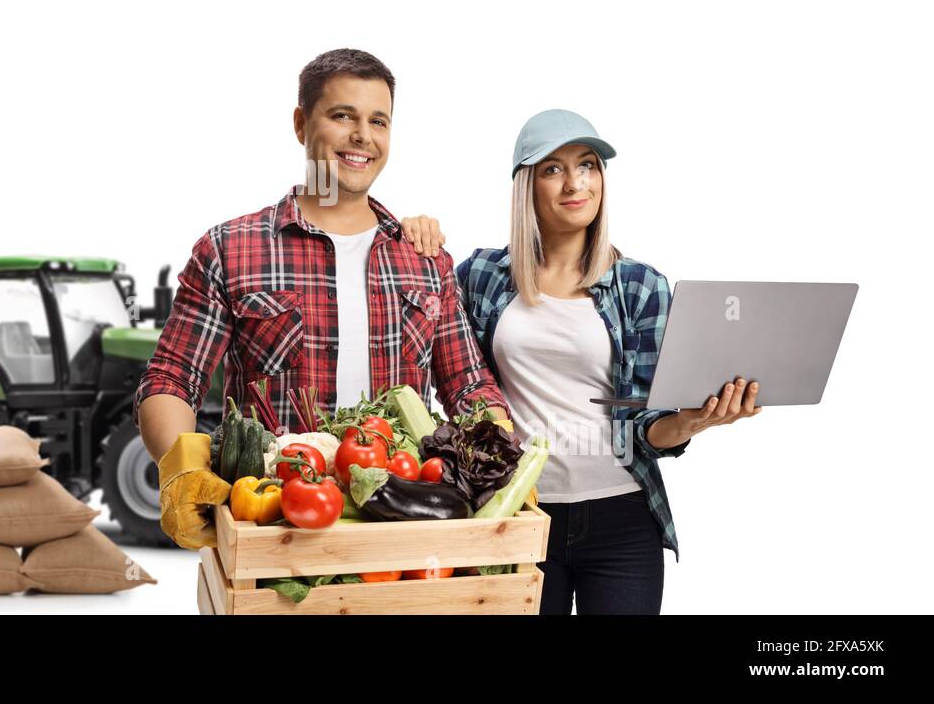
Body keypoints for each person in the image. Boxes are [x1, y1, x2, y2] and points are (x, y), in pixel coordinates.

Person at [134, 49, 512, 549]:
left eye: (379, 121)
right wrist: (179, 470)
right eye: (342, 116)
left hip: (404, 528)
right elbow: (173, 377)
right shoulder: (231, 249)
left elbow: (468, 384)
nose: (363, 136)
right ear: (300, 123)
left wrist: (505, 461)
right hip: (275, 524)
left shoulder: (425, 259)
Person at [401, 109, 761, 614]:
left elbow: (647, 426)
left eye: (588, 165)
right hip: (518, 512)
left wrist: (694, 421)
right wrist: (414, 232)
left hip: (622, 518)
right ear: (526, 185)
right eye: (553, 169)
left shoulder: (641, 286)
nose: (575, 183)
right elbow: (452, 367)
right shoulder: (482, 275)